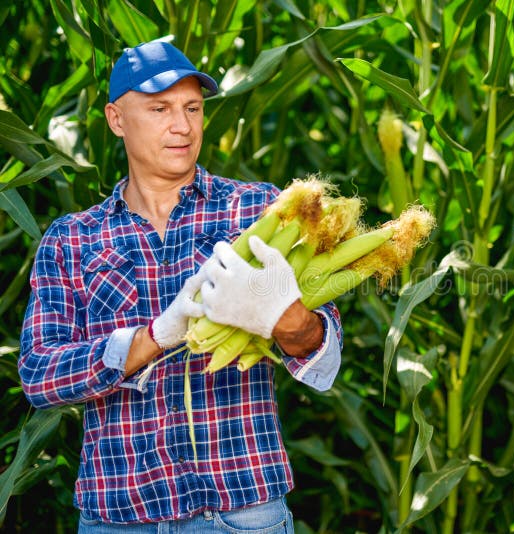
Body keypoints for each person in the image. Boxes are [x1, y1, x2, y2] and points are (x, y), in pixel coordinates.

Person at [18, 39, 342, 532]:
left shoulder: (261, 211)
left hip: (241, 515)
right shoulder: (72, 239)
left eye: (192, 108)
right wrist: (151, 338)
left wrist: (288, 319)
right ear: (116, 120)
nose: (183, 126)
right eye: (160, 109)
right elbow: (39, 375)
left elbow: (324, 357)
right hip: (119, 519)